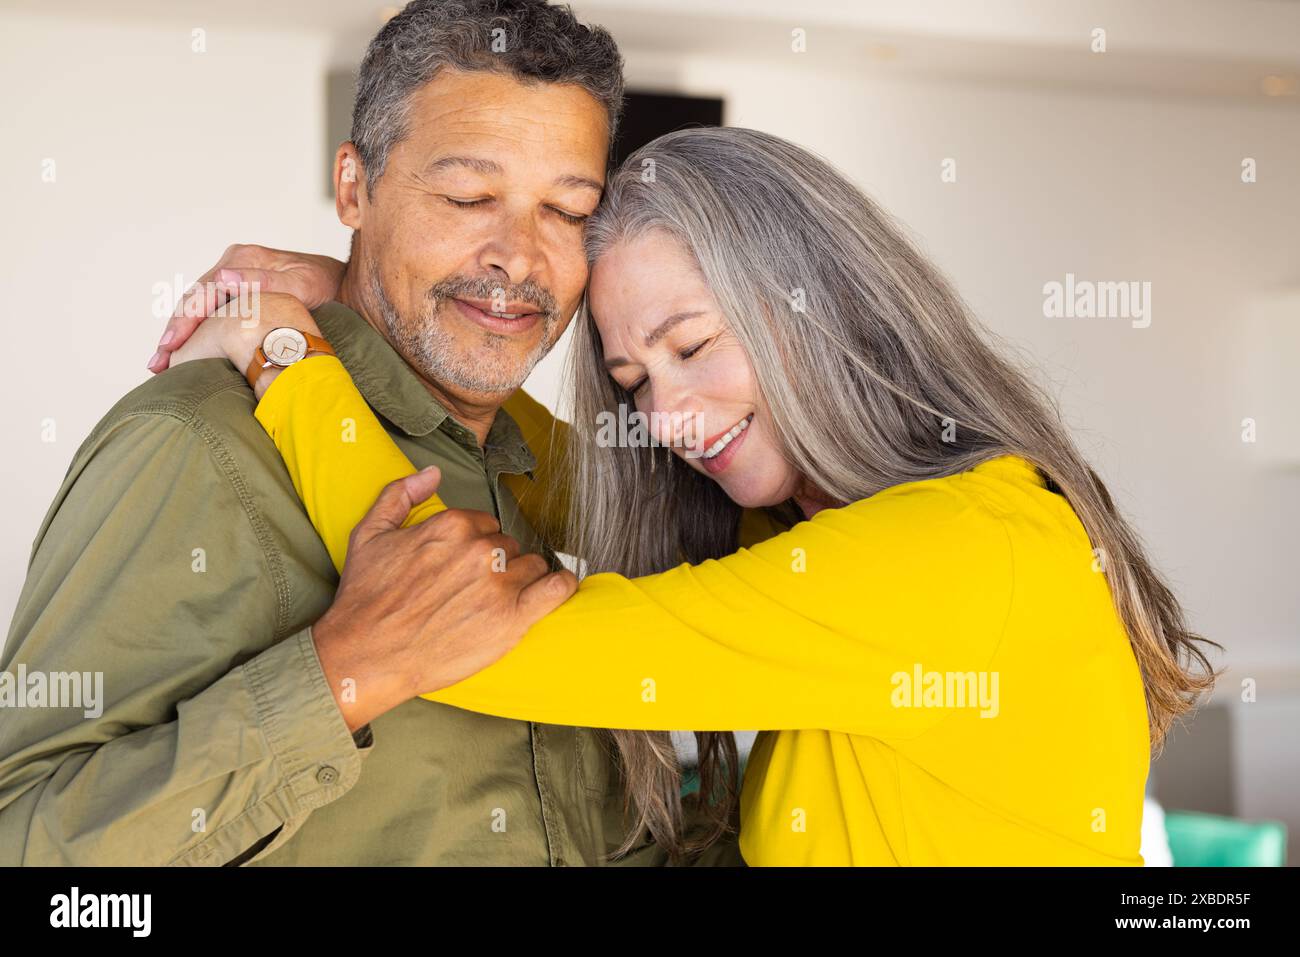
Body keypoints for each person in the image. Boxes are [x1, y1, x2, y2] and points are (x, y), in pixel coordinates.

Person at [160, 126, 1220, 865]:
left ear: (819, 306)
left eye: (692, 347)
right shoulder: (857, 527)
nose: (667, 419)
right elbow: (589, 481)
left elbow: (481, 633)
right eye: (633, 381)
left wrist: (288, 356)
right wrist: (367, 306)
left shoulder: (954, 551)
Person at [0, 0, 742, 866]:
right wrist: (338, 673)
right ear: (354, 187)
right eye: (469, 196)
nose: (519, 257)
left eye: (568, 211)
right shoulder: (195, 443)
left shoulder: (556, 483)